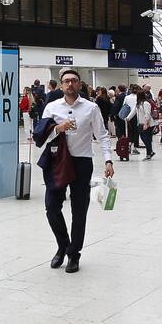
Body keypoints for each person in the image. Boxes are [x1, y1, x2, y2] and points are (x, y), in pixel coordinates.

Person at [35, 69, 114, 274]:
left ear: (80, 85)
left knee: (79, 211)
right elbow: (41, 136)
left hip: (81, 163)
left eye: (74, 81)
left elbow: (102, 135)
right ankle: (63, 245)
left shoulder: (91, 108)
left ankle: (74, 254)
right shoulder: (52, 107)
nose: (70, 84)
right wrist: (58, 128)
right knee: (52, 207)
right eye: (66, 81)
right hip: (56, 162)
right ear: (61, 86)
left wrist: (108, 160)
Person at [134, 87, 156, 159]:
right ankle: (150, 152)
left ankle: (149, 154)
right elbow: (134, 112)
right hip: (141, 123)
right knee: (145, 139)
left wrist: (146, 124)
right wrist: (127, 118)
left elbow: (147, 114)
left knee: (146, 139)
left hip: (148, 124)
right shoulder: (138, 104)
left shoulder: (146, 103)